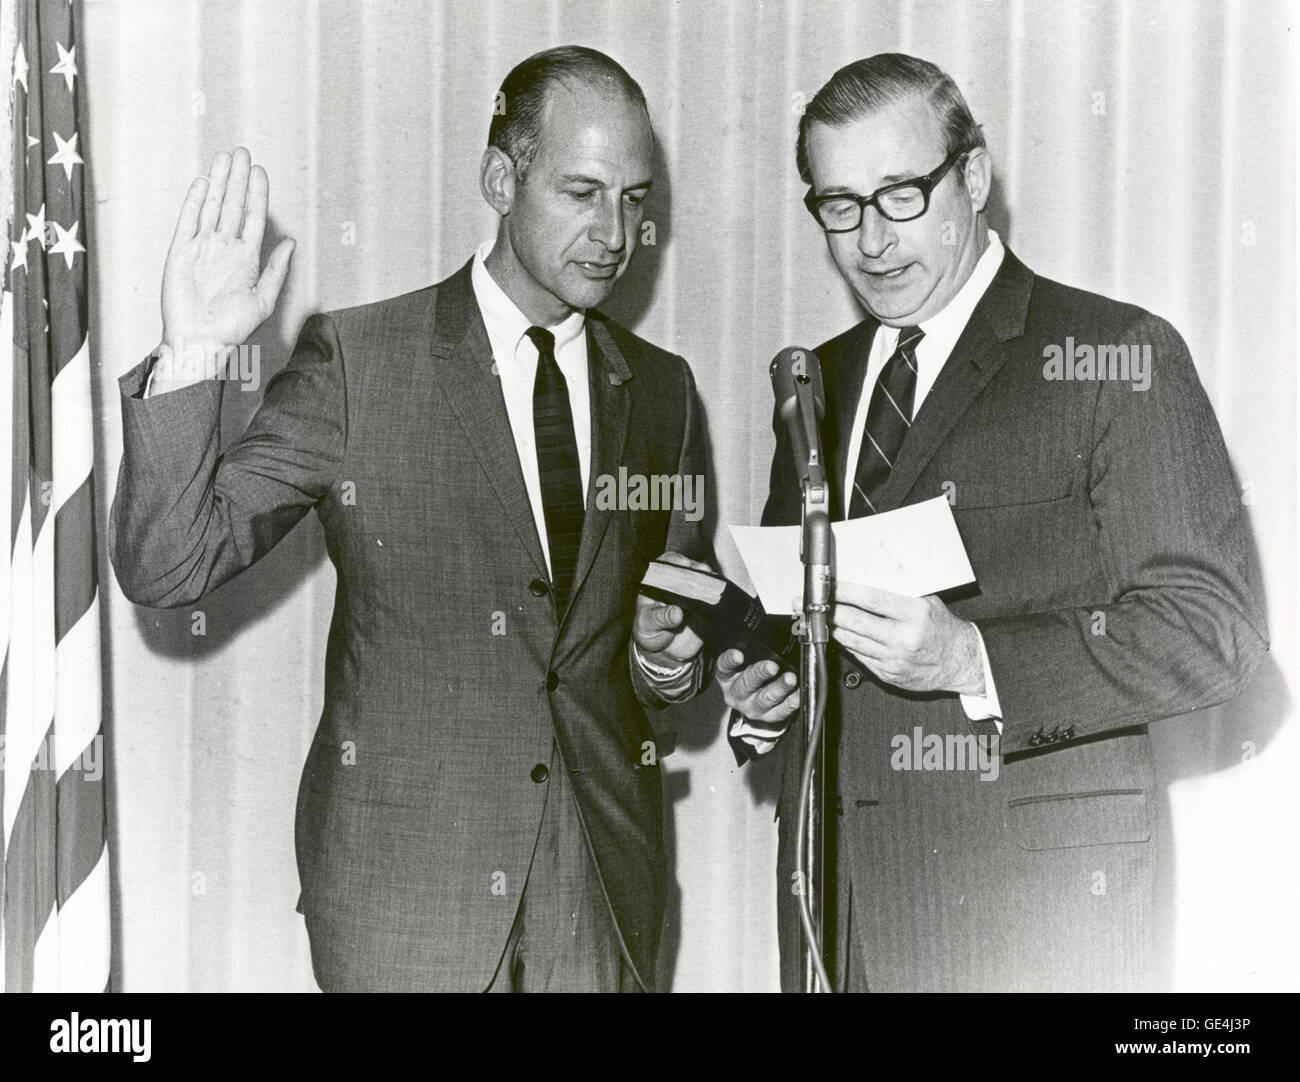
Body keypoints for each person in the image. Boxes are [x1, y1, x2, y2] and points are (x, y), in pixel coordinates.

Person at [111, 45, 745, 993]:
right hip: (408, 904)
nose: (615, 231)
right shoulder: (359, 363)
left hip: (601, 898)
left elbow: (656, 664)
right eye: (582, 191)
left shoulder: (662, 392)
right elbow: (168, 566)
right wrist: (195, 349)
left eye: (635, 198)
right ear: (501, 178)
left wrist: (666, 655)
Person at [723, 53, 1268, 992]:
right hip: (837, 903)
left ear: (972, 178)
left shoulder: (1117, 355)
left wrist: (973, 662)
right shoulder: (817, 377)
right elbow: (793, 611)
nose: (870, 241)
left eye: (900, 194)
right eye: (838, 206)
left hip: (1036, 916)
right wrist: (758, 687)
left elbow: (1216, 635)